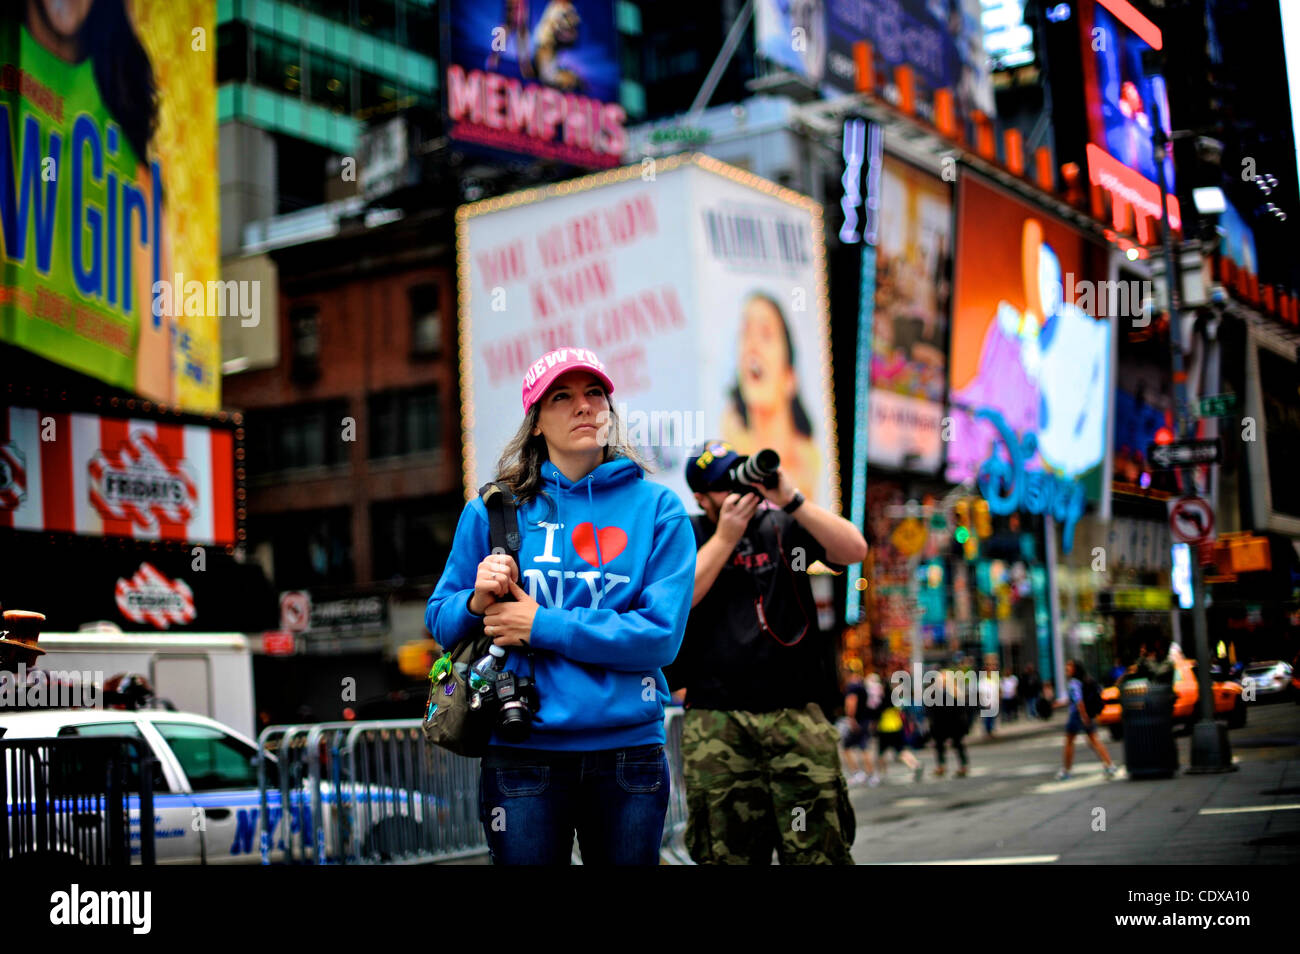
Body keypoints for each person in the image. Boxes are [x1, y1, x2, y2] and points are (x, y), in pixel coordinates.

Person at [425, 348, 697, 866]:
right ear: (535, 422)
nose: (584, 407)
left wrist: (541, 625)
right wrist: (478, 599)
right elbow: (440, 619)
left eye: (595, 393)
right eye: (562, 396)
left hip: (629, 758)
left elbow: (660, 637)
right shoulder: (492, 508)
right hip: (522, 755)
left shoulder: (659, 509)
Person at [666, 439, 867, 864]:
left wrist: (791, 500)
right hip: (718, 720)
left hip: (796, 713)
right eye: (725, 487)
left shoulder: (784, 527)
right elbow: (680, 597)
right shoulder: (690, 532)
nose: (741, 493)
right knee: (730, 852)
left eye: (742, 477)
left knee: (818, 850)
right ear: (702, 499)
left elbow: (854, 549)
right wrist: (725, 537)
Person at [720, 293, 823, 505]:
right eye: (745, 334)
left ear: (790, 377)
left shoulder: (814, 466)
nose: (752, 347)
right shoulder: (726, 454)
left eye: (766, 334)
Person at [1056, 660, 1119, 781]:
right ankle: (1109, 765)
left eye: (1069, 666)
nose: (1066, 669)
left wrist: (1083, 716)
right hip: (1086, 714)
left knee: (1069, 742)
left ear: (1075, 669)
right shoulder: (1085, 680)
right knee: (1094, 740)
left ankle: (1066, 771)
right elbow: (1073, 699)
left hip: (1077, 715)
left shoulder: (1074, 682)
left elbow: (1079, 701)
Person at [927, 669, 971, 778]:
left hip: (953, 724)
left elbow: (962, 710)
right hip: (941, 724)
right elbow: (931, 710)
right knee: (940, 746)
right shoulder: (936, 693)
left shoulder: (954, 692)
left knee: (956, 744)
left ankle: (962, 766)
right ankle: (942, 766)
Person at [839, 673, 875, 785]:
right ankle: (871, 775)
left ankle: (857, 773)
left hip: (856, 722)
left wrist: (851, 719)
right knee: (864, 748)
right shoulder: (863, 688)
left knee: (846, 748)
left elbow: (851, 703)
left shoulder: (853, 688)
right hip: (864, 721)